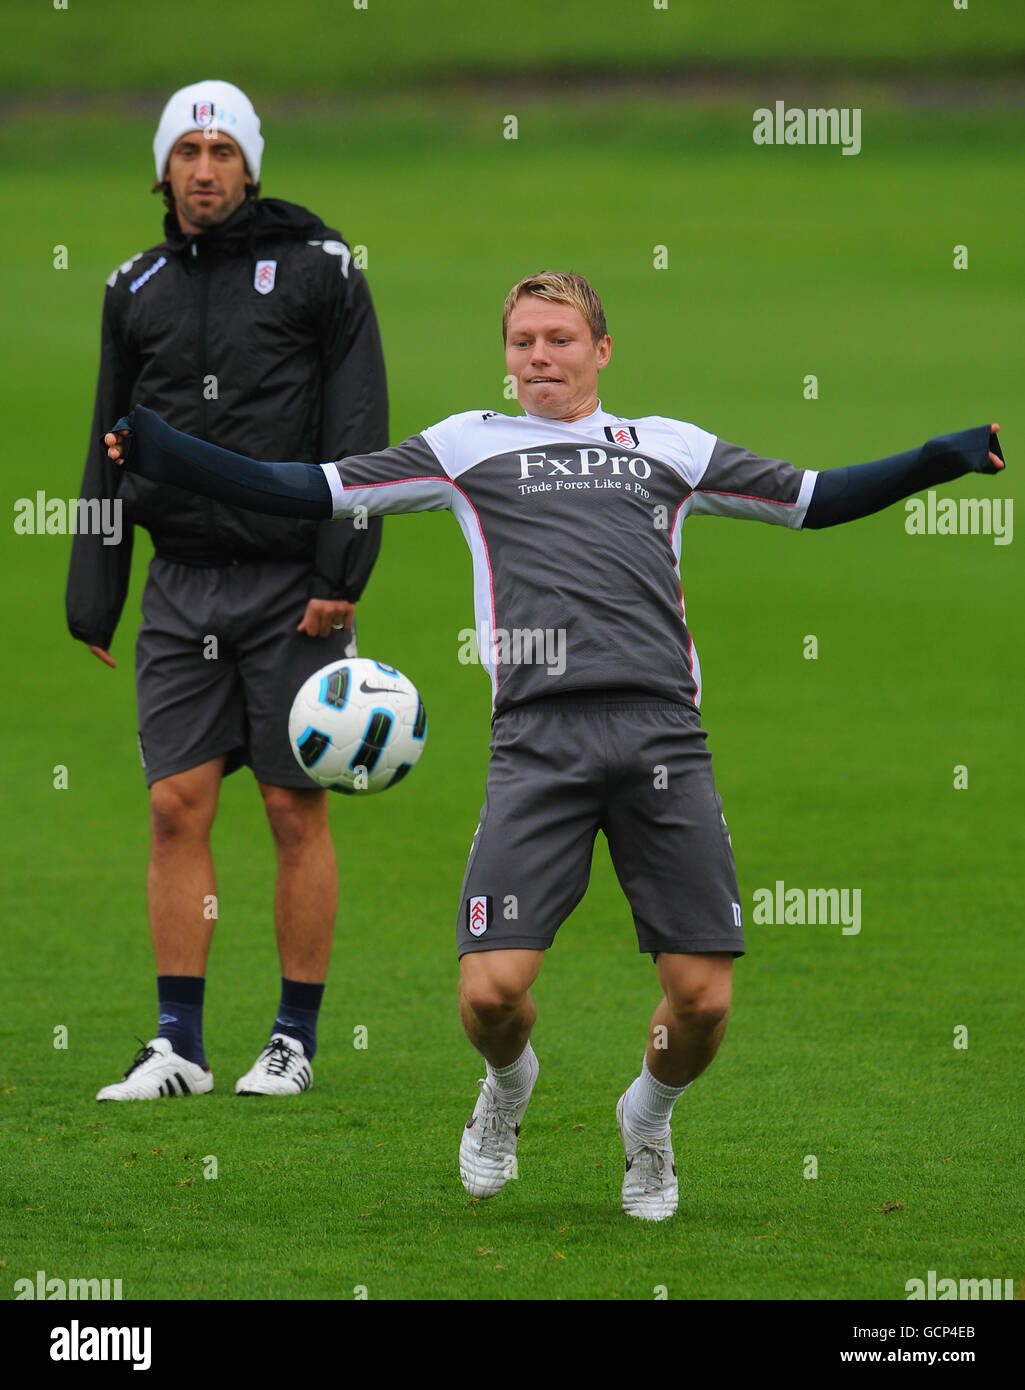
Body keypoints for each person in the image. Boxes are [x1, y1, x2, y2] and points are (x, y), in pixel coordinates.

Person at [101, 271, 1004, 1218]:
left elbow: (818, 497)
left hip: (664, 739)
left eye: (560, 339)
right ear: (505, 356)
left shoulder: (670, 448)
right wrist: (171, 452)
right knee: (489, 992)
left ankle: (647, 1118)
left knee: (702, 1004)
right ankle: (506, 1089)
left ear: (600, 351)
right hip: (538, 743)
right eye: (523, 340)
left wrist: (941, 457)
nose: (540, 356)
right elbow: (304, 490)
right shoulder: (463, 448)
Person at [67, 80, 388, 1102]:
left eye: (221, 150)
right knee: (174, 806)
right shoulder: (134, 285)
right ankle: (178, 1047)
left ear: (250, 164)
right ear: (162, 169)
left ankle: (291, 1038)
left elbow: (359, 426)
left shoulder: (318, 270)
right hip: (180, 586)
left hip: (291, 585)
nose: (203, 169)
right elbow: (105, 442)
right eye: (186, 151)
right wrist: (95, 588)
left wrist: (341, 573)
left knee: (294, 809)